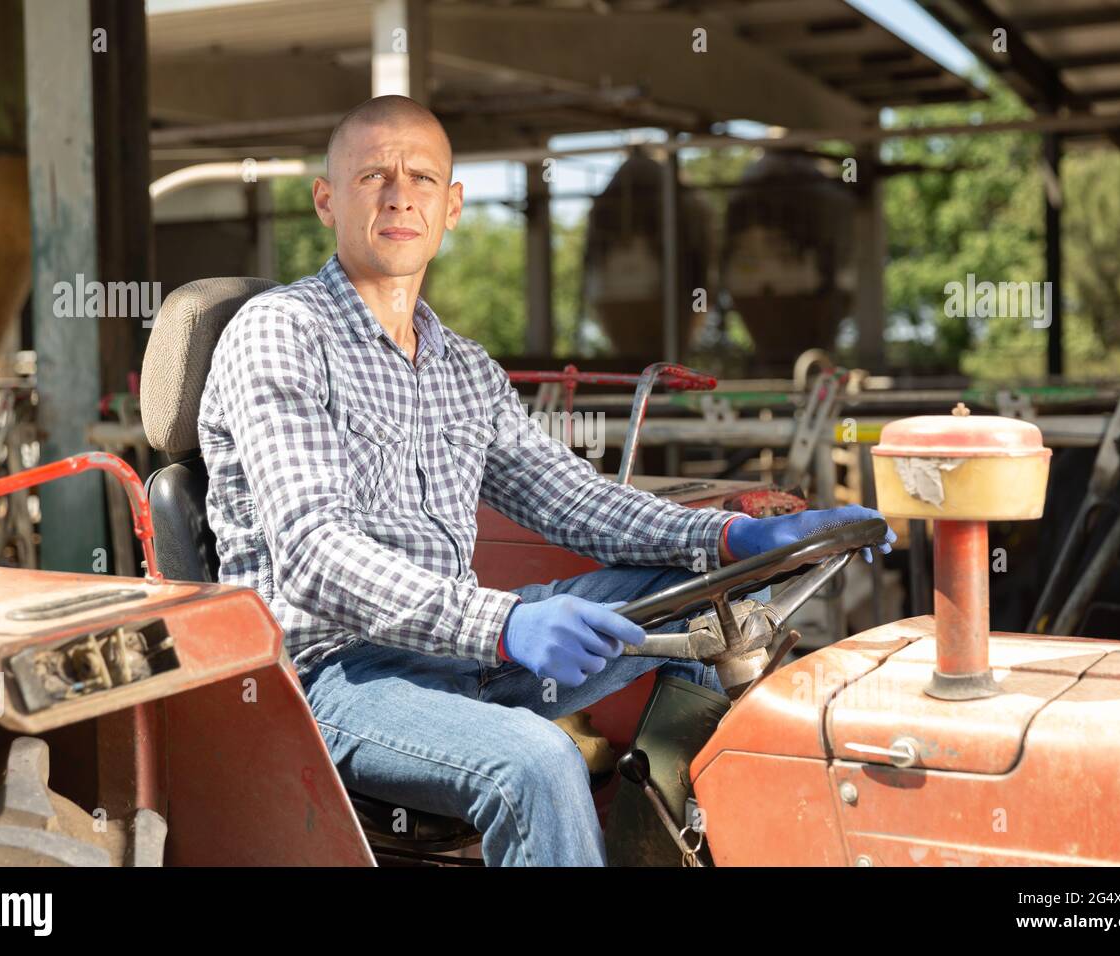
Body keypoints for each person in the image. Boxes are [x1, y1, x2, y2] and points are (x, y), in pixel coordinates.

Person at [198, 95, 894, 866]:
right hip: (330, 680)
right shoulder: (281, 333)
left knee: (721, 592)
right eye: (373, 175)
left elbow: (571, 500)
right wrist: (504, 626)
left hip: (461, 654)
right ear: (327, 199)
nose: (400, 193)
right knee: (540, 761)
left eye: (422, 177)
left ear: (452, 206)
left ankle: (663, 841)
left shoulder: (462, 367)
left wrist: (736, 536)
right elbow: (315, 553)